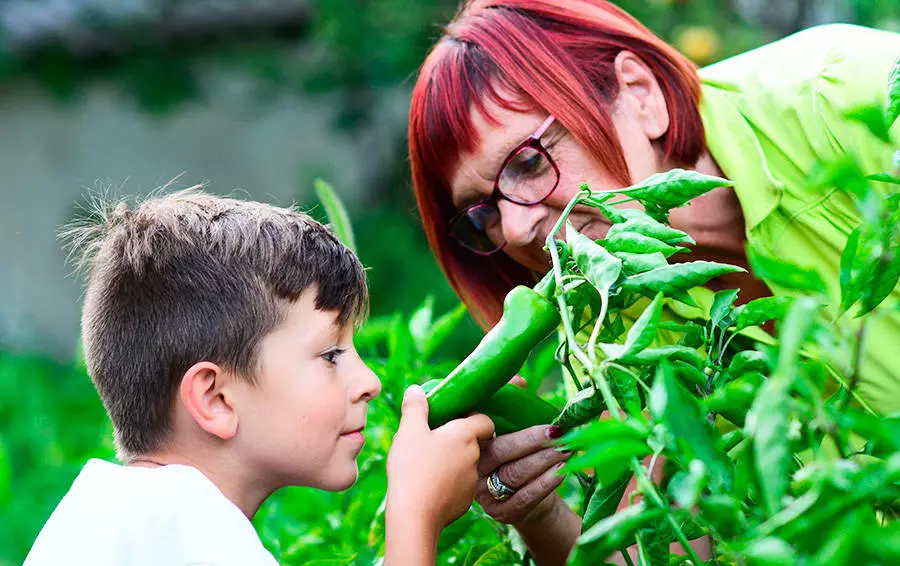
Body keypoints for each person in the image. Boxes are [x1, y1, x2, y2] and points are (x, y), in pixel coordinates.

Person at [408, 0, 900, 563]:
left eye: (526, 161)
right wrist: (537, 513)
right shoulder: (614, 334)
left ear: (638, 94)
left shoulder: (839, 96)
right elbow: (666, 551)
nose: (517, 228)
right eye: (482, 214)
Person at [24, 189, 495, 565]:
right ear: (215, 400)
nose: (369, 381)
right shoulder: (180, 517)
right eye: (331, 355)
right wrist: (415, 513)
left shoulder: (114, 512)